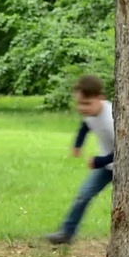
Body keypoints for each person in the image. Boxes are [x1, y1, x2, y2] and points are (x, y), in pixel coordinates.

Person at [44, 75, 114, 245]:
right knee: (83, 195)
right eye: (79, 103)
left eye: (86, 103)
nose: (82, 108)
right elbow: (85, 127)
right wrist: (78, 145)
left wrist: (100, 161)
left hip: (124, 167)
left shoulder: (112, 118)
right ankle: (66, 233)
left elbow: (126, 150)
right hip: (107, 167)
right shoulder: (90, 113)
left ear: (100, 98)